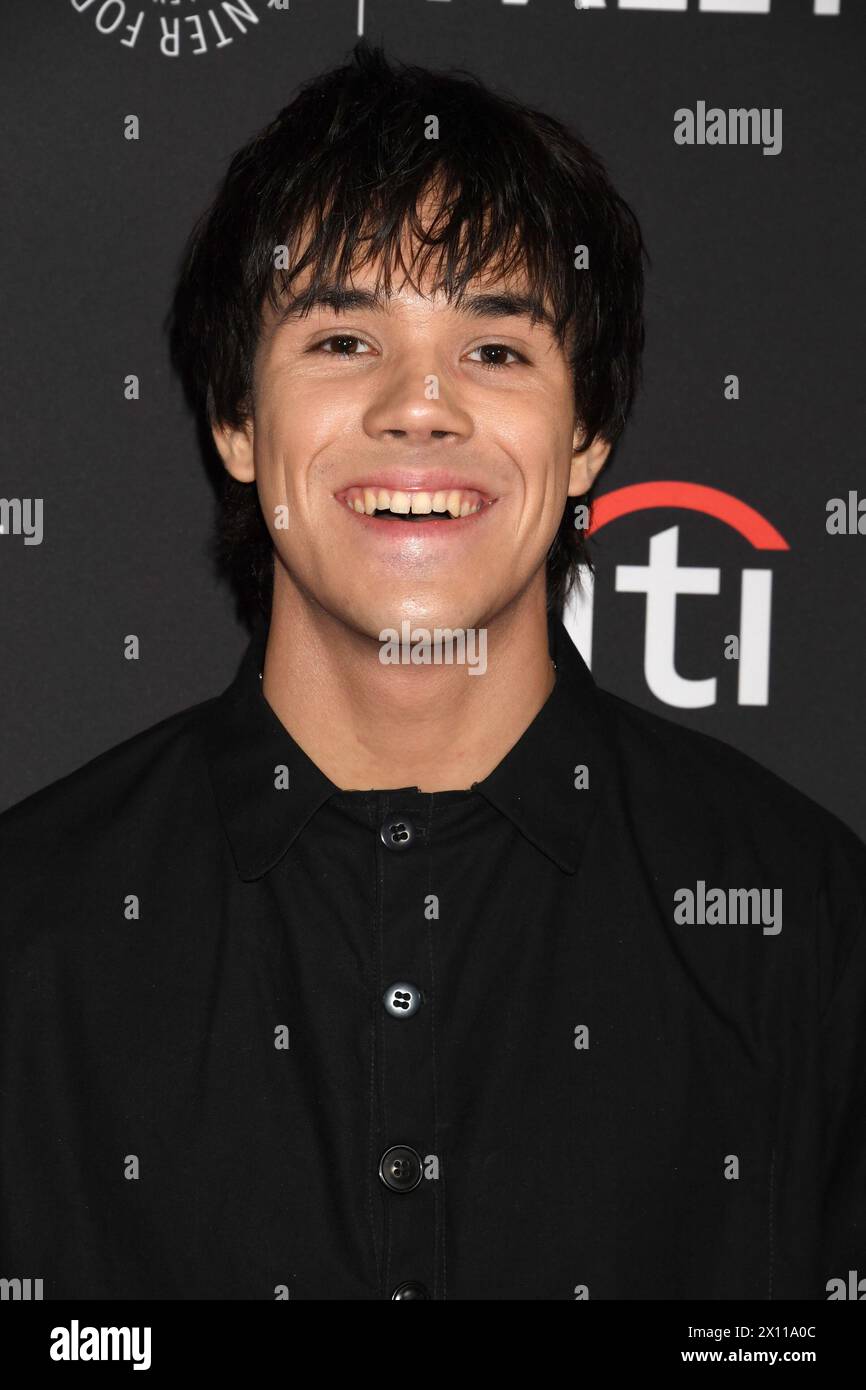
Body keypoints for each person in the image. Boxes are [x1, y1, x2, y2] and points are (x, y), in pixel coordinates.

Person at [1, 41, 863, 1302]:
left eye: (496, 351)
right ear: (237, 423)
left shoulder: (807, 931)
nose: (421, 405)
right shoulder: (32, 937)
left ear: (586, 437)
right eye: (343, 338)